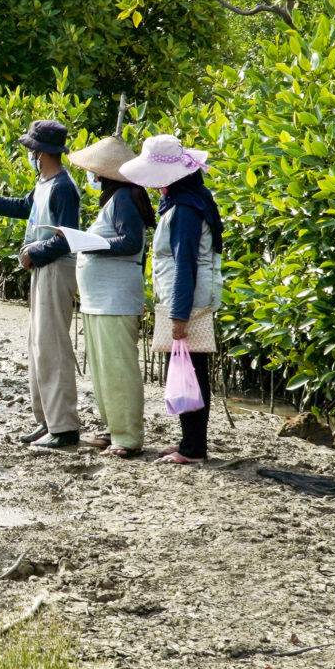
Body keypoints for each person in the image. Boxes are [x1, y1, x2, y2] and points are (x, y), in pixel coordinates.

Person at [0, 119, 81, 448]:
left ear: (39, 152)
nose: (29, 154)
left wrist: (32, 253)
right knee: (38, 346)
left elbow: (68, 239)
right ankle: (46, 420)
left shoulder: (64, 187)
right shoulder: (44, 182)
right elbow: (25, 208)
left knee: (52, 348)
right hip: (41, 267)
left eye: (31, 150)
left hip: (55, 268)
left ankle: (64, 427)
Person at [118, 135, 224, 465]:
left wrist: (179, 316)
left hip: (188, 302)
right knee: (187, 369)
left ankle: (193, 448)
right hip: (190, 298)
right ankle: (189, 441)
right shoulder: (191, 198)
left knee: (189, 371)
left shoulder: (185, 210)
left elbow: (185, 264)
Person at [65, 136, 152, 459]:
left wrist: (90, 244)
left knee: (118, 368)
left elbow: (129, 243)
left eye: (95, 172)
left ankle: (127, 437)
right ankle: (112, 428)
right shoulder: (117, 198)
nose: (92, 176)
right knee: (103, 369)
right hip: (100, 299)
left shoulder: (126, 199)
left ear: (105, 173)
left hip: (114, 299)